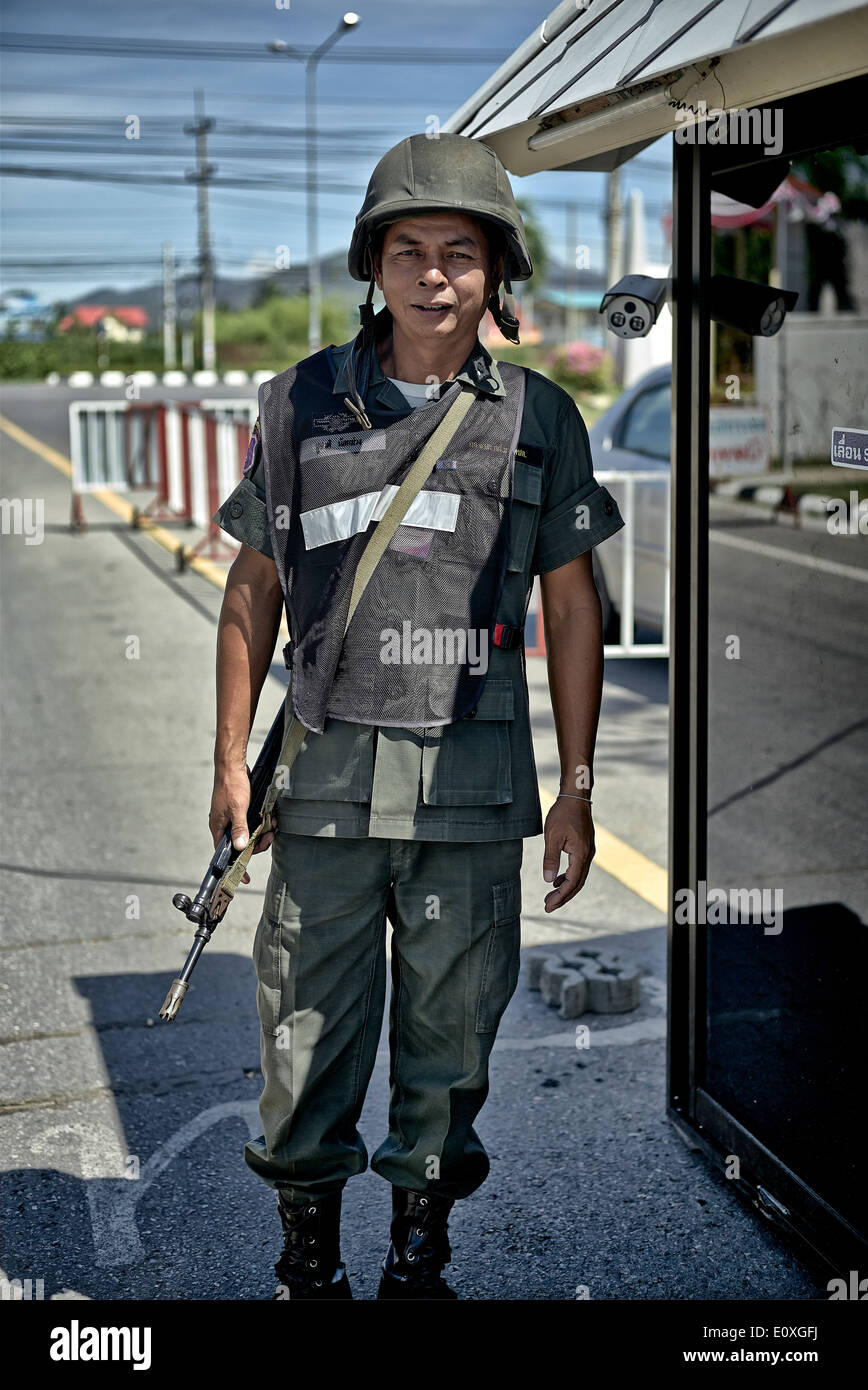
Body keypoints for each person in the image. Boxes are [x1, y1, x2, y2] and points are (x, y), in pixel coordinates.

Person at [211, 132, 624, 1301]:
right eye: (409, 250)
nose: (433, 274)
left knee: (452, 1050)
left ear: (496, 275)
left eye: (460, 252)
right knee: (305, 1040)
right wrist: (230, 763)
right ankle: (307, 1264)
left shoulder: (542, 417)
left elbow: (573, 605)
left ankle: (416, 1261)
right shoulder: (295, 401)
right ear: (373, 265)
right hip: (325, 783)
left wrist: (578, 794)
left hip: (475, 791)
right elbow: (253, 585)